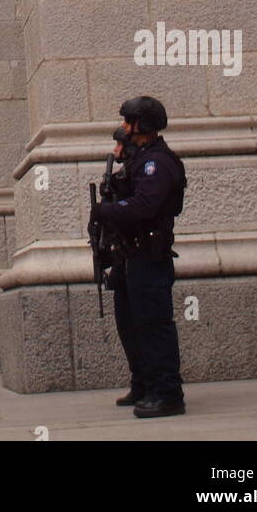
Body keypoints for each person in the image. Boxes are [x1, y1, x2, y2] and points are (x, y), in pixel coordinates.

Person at [90, 96, 187, 419]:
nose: (123, 127)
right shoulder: (140, 160)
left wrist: (108, 211)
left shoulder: (157, 162)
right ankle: (144, 383)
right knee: (130, 323)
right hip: (130, 255)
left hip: (149, 254)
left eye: (128, 121)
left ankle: (168, 393)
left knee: (154, 324)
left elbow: (144, 207)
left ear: (142, 124)